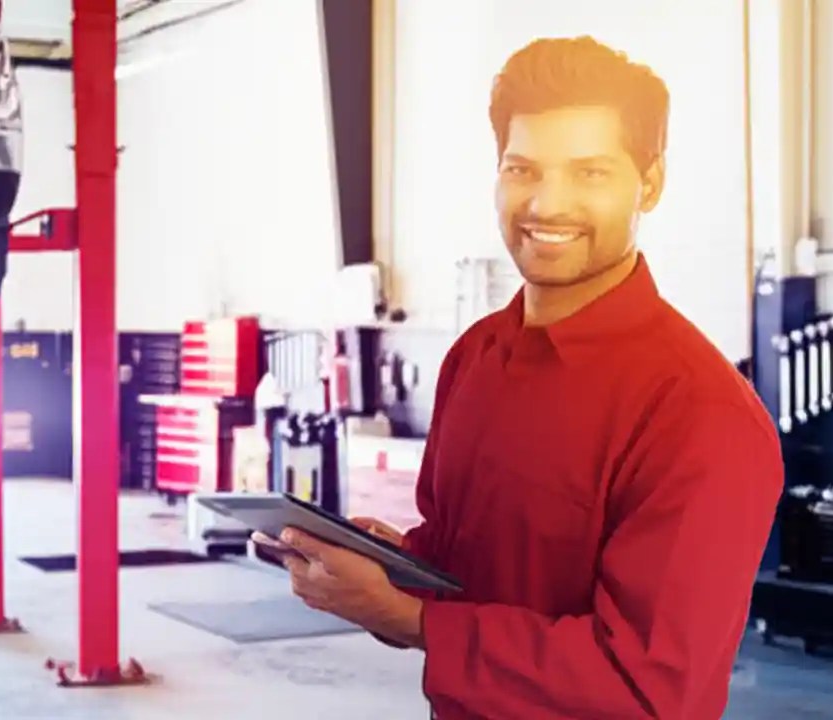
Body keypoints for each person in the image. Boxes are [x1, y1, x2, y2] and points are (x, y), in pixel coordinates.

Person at [261, 36, 784, 719]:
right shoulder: (476, 359)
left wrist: (414, 620)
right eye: (523, 168)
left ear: (649, 183)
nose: (546, 203)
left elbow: (652, 688)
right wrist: (390, 568)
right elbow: (467, 563)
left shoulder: (699, 414)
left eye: (590, 173)